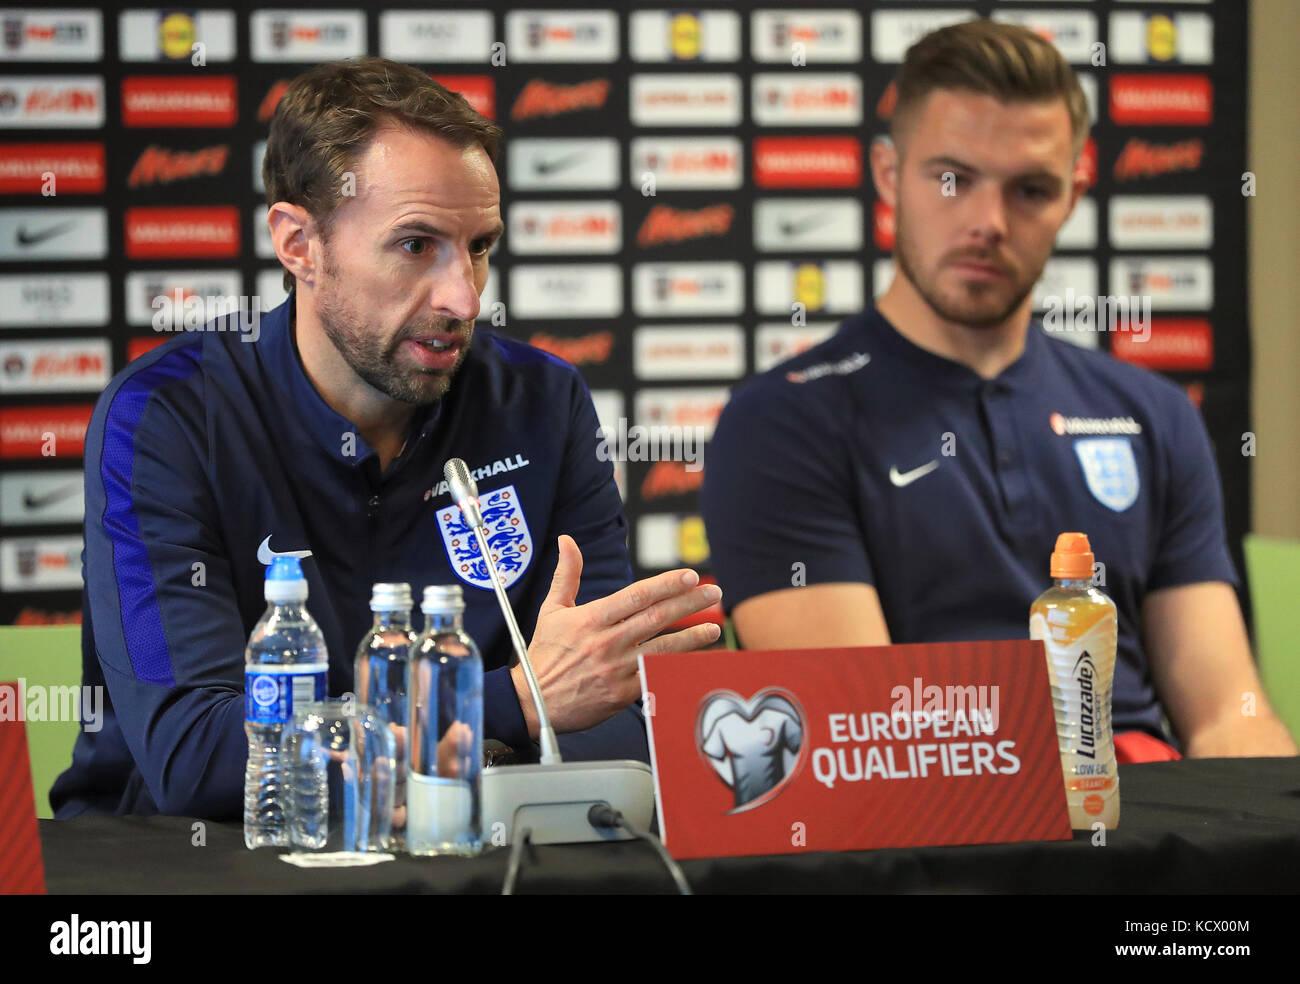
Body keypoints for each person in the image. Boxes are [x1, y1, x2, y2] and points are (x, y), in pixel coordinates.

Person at [52, 57, 721, 819]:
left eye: (478, 246)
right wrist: (514, 704)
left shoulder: (542, 402)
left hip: (467, 853)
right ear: (299, 244)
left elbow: (607, 718)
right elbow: (199, 755)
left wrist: (517, 730)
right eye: (415, 245)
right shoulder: (165, 418)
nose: (464, 296)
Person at [702, 20, 1296, 759]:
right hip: (943, 851)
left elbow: (1225, 718)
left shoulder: (1153, 415)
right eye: (953, 179)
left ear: (1074, 193)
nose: (988, 222)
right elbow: (869, 742)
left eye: (1031, 189)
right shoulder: (781, 423)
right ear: (889, 175)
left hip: (1148, 831)